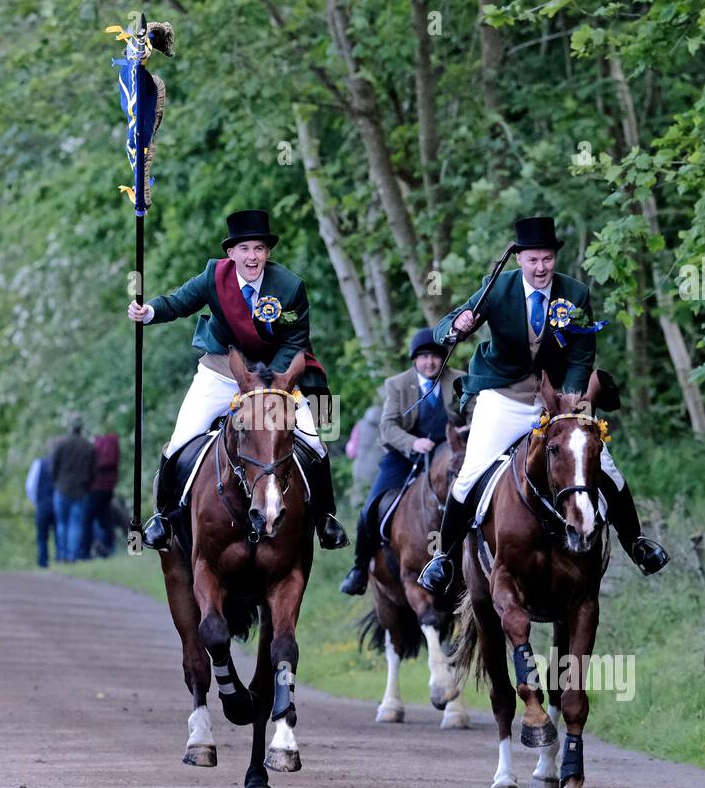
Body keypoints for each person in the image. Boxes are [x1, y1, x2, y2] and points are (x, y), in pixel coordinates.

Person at [417, 216, 669, 596]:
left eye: (547, 259)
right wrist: (458, 326)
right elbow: (444, 328)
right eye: (533, 260)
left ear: (554, 258)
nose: (541, 268)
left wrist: (569, 400)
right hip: (504, 395)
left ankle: (637, 543)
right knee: (470, 473)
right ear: (519, 259)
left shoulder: (576, 294)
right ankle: (445, 559)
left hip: (558, 399)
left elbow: (583, 355)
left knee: (606, 466)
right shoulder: (497, 288)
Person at [126, 209, 347, 552]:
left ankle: (325, 519)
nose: (252, 257)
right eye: (244, 250)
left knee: (316, 442)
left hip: (275, 378)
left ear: (267, 253)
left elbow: (296, 339)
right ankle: (163, 516)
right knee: (181, 438)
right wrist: (149, 311)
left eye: (259, 249)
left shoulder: (290, 286)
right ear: (231, 254)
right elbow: (180, 302)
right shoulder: (214, 275)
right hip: (222, 373)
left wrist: (268, 383)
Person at [340, 328, 469, 595]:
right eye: (423, 357)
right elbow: (387, 427)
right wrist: (413, 443)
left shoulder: (459, 379)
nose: (430, 362)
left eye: (435, 356)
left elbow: (474, 413)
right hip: (405, 455)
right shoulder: (398, 384)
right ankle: (360, 569)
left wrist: (464, 431)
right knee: (369, 510)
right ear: (414, 360)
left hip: (451, 454)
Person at [49, 413, 95, 562]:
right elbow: (93, 471)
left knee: (61, 524)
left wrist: (56, 482)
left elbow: (53, 467)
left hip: (62, 489)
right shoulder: (88, 447)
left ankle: (62, 556)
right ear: (81, 428)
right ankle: (72, 557)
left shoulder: (60, 445)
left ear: (70, 427)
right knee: (76, 525)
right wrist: (87, 485)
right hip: (81, 491)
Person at [87, 431, 120, 558]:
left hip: (95, 487)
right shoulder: (113, 443)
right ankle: (109, 547)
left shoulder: (97, 443)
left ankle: (98, 548)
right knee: (105, 518)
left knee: (89, 519)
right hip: (109, 487)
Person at [25, 449, 57, 568]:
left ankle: (43, 564)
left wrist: (36, 502)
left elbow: (30, 486)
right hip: (57, 505)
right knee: (59, 534)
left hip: (42, 504)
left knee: (42, 537)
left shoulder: (39, 463)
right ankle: (61, 561)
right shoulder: (62, 464)